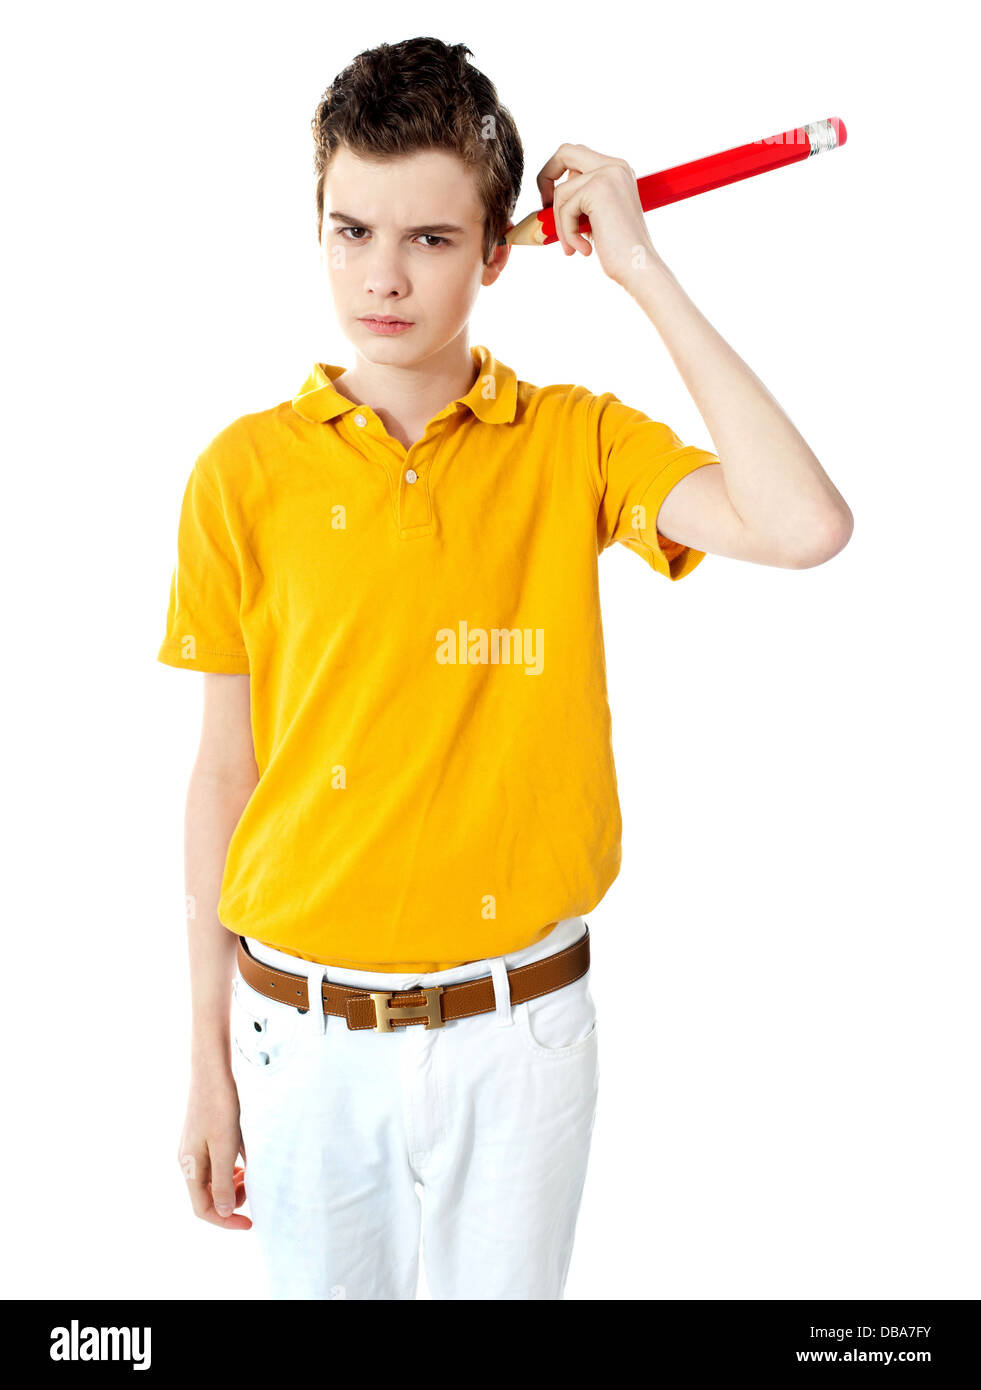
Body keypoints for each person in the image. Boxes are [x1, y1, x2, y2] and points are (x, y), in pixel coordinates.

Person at [158, 36, 853, 1301]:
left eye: (429, 239)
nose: (383, 276)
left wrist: (640, 266)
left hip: (524, 1034)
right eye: (351, 230)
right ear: (315, 227)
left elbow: (804, 525)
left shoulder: (574, 443)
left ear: (498, 251)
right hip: (300, 1040)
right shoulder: (240, 475)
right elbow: (223, 773)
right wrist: (206, 1057)